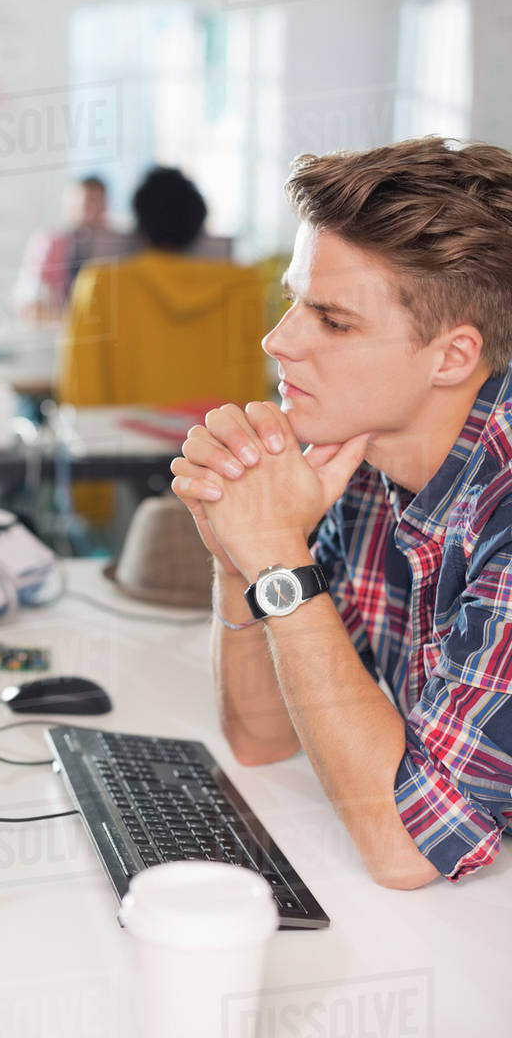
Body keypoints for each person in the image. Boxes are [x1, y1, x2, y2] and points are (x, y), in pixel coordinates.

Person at [170, 136, 512, 890]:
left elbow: (409, 848)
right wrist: (240, 555)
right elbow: (260, 739)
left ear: (452, 357)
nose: (277, 339)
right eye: (293, 300)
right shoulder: (358, 460)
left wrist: (276, 557)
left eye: (332, 319)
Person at [58, 167, 267, 406]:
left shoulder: (98, 285)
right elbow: (253, 388)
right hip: (220, 438)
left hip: (123, 440)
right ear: (197, 225)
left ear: (140, 225)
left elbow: (81, 388)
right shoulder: (243, 285)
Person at [14, 175, 137, 320]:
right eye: (84, 205)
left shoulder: (123, 243)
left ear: (106, 205)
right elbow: (30, 303)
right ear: (68, 206)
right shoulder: (49, 242)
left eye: (97, 204)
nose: (91, 213)